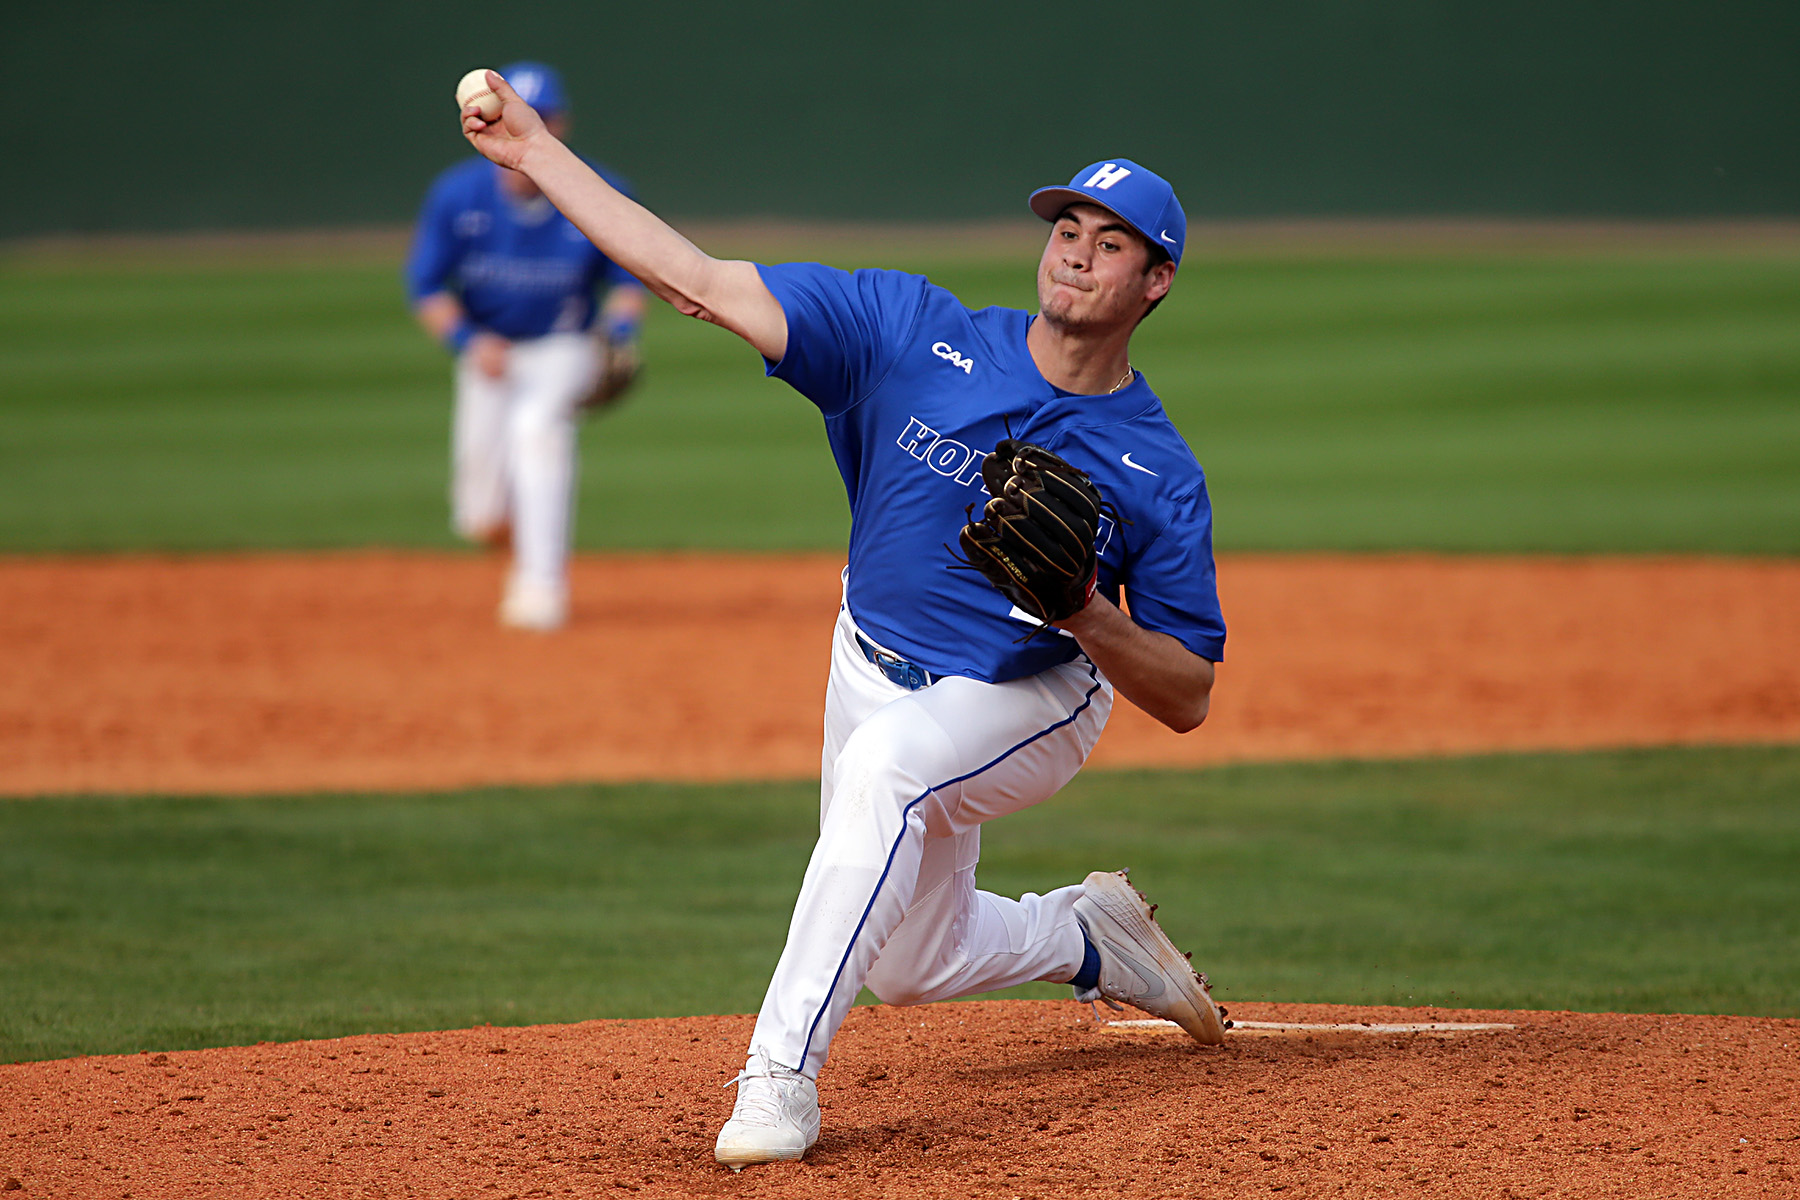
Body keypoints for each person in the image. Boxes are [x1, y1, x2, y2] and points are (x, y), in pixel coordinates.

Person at [459, 72, 1229, 1167]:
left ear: (1156, 281)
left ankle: (776, 1080)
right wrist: (533, 153)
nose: (1076, 251)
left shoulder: (1157, 469)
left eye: (1112, 243)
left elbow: (1190, 695)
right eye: (1067, 227)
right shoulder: (908, 331)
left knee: (887, 780)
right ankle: (1085, 934)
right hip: (863, 661)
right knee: (914, 959)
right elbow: (696, 282)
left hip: (1030, 693)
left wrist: (1084, 613)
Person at [406, 62, 646, 631]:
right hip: (488, 354)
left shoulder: (598, 189)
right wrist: (466, 339)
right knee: (480, 515)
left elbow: (632, 278)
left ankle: (541, 586)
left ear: (558, 125)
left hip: (565, 346)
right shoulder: (457, 195)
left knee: (537, 430)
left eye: (535, 122)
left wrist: (618, 332)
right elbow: (426, 286)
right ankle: (516, 534)